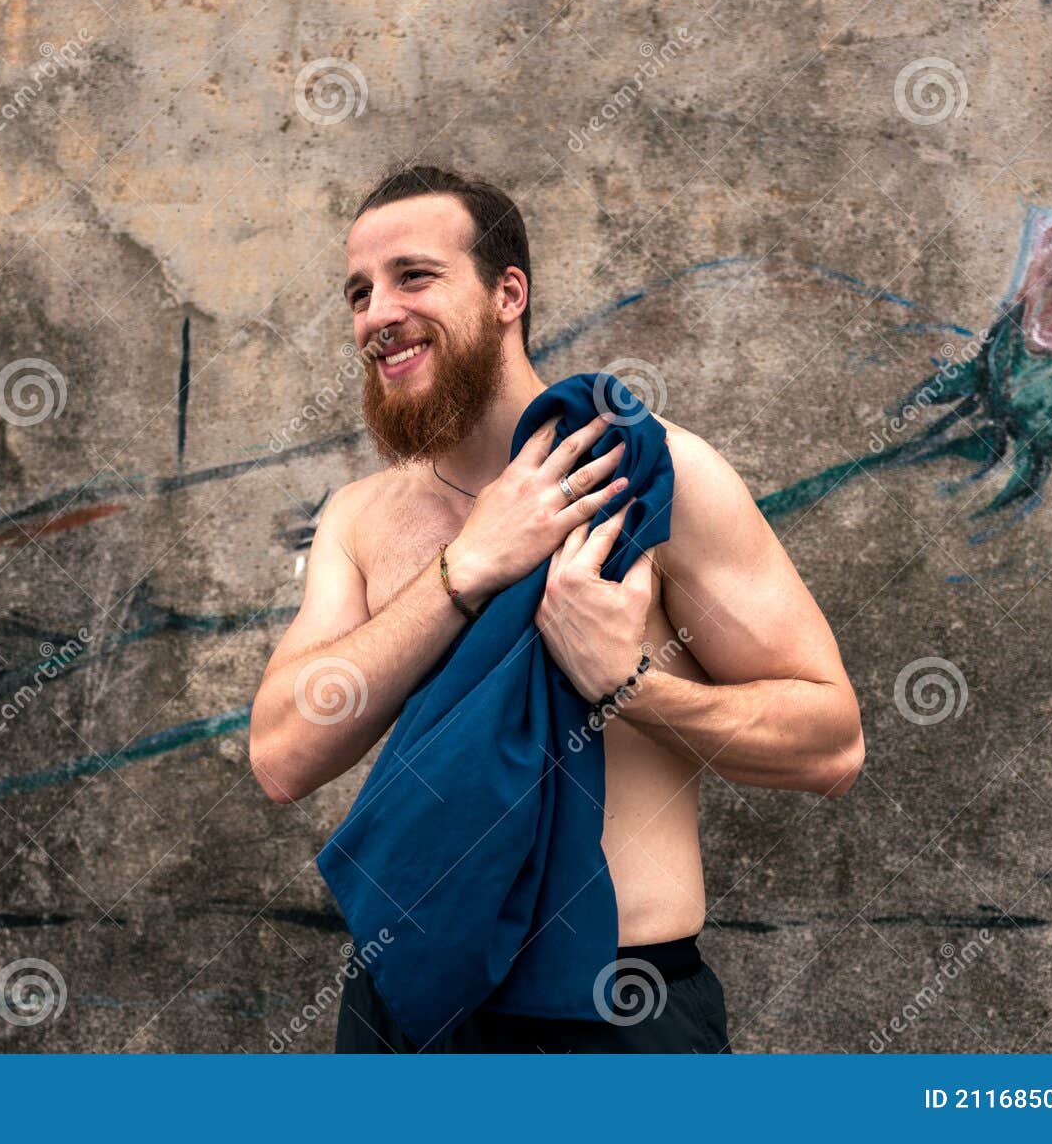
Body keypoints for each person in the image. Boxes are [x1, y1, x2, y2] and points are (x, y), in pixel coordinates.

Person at [248, 164, 865, 1052]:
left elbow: (833, 742)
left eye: (413, 276)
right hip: (411, 1013)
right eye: (358, 292)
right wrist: (467, 570)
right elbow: (282, 755)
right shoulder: (362, 519)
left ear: (509, 292)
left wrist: (633, 686)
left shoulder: (652, 479)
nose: (377, 314)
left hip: (620, 1016)